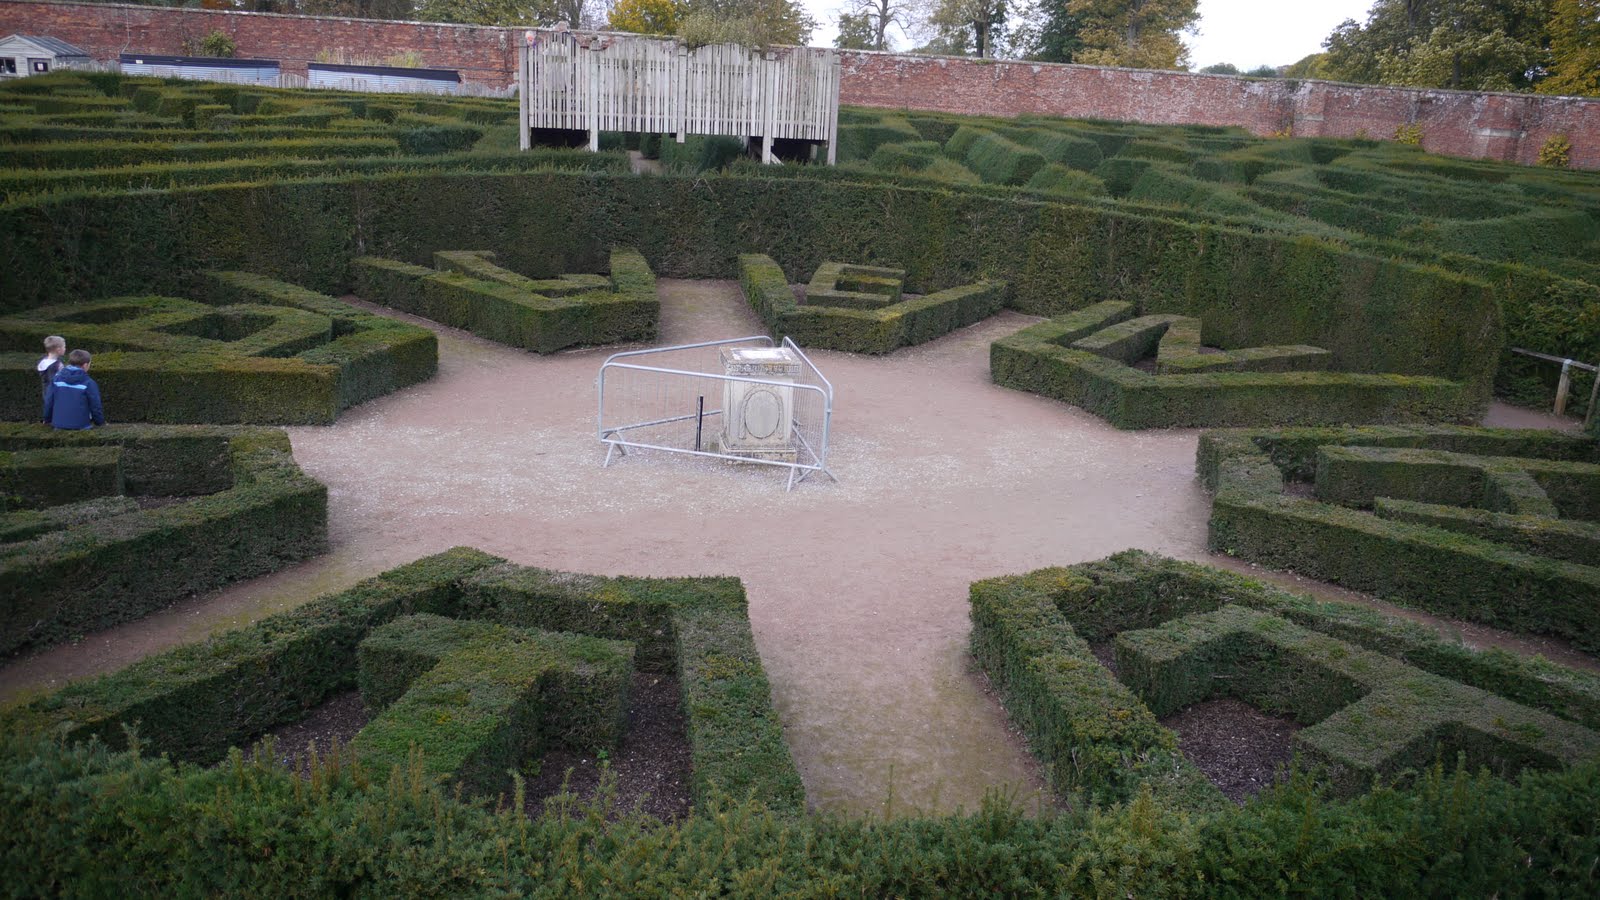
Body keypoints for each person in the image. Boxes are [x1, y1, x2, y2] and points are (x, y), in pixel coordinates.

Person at [43, 349, 106, 431]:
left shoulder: (56, 379)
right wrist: (100, 423)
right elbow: (95, 406)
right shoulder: (89, 383)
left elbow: (49, 401)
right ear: (85, 365)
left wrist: (47, 419)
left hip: (58, 425)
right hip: (82, 425)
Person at [36, 335, 65, 402]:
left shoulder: (43, 361)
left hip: (47, 393)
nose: (65, 349)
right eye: (64, 347)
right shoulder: (55, 366)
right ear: (58, 350)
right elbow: (54, 381)